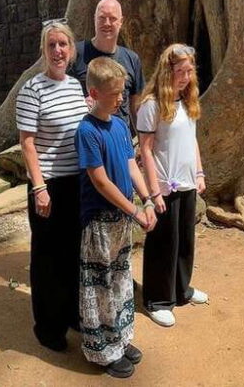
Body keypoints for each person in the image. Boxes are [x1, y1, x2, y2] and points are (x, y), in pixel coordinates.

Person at [75, 57, 158, 378]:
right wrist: (133, 208)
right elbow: (99, 179)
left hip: (122, 219)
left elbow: (130, 165)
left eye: (123, 92)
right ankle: (103, 350)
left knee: (121, 277)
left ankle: (120, 339)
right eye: (114, 94)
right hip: (99, 220)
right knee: (101, 283)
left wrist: (148, 199)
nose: (121, 98)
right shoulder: (87, 130)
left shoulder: (120, 125)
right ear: (94, 93)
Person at [16, 21, 89, 351]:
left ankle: (72, 313)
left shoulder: (75, 86)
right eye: (52, 45)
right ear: (44, 51)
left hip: (77, 184)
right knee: (48, 259)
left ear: (71, 49)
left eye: (63, 45)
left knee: (74, 253)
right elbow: (27, 143)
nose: (58, 51)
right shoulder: (32, 89)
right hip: (48, 185)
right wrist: (39, 188)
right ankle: (48, 327)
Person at [137, 43, 208, 327]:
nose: (186, 77)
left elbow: (192, 140)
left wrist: (200, 173)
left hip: (188, 182)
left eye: (190, 71)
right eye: (180, 71)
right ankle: (157, 299)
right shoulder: (152, 105)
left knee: (184, 242)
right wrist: (153, 191)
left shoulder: (188, 100)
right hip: (165, 184)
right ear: (168, 72)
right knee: (163, 243)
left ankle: (181, 290)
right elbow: (145, 150)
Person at [68, 0, 145, 129]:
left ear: (121, 22)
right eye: (102, 18)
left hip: (120, 138)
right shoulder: (75, 54)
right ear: (94, 19)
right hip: (87, 136)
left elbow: (136, 107)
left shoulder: (132, 59)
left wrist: (143, 142)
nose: (107, 23)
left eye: (113, 18)